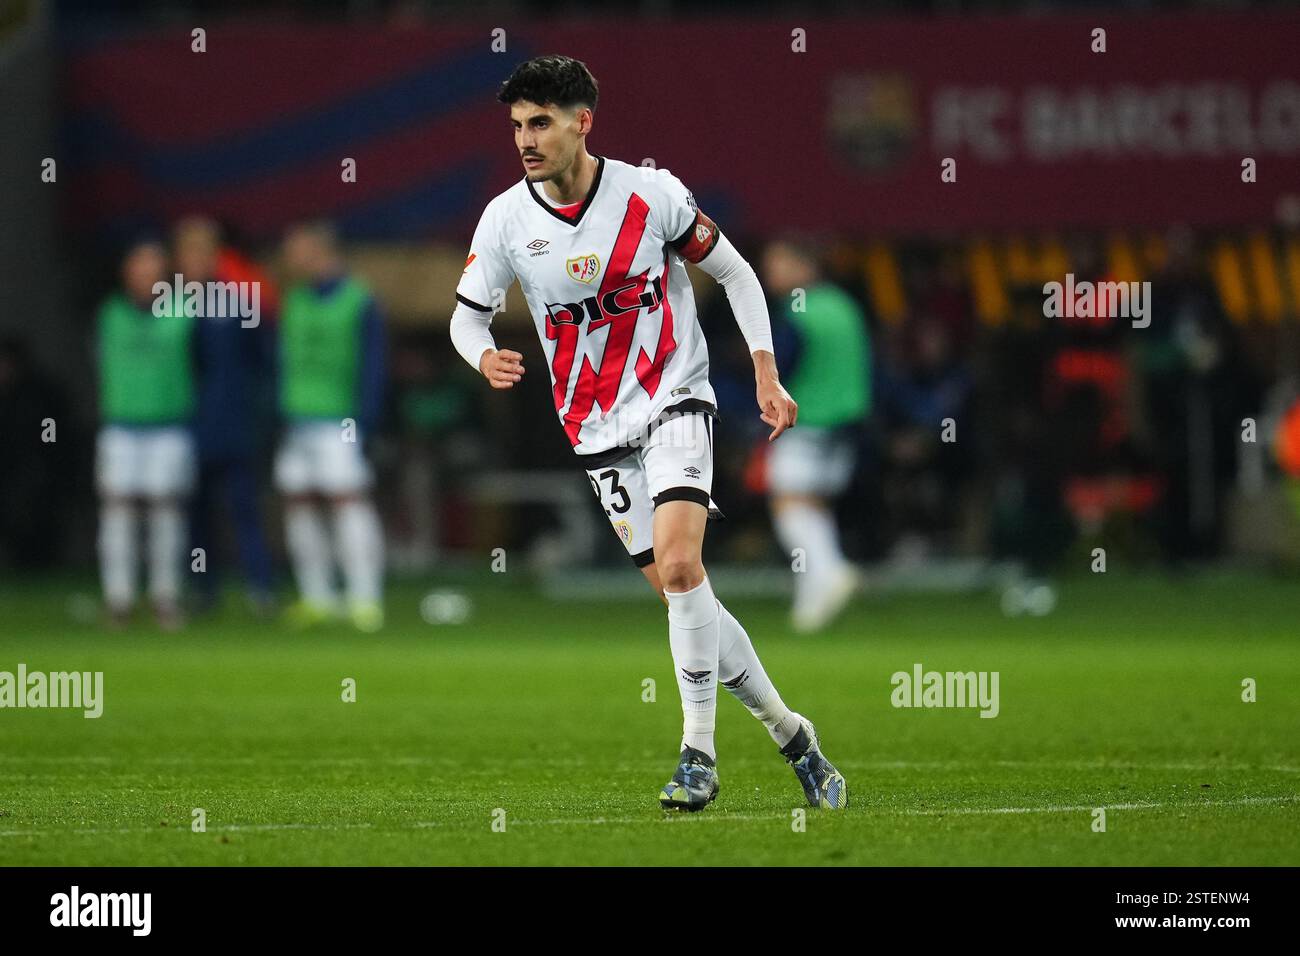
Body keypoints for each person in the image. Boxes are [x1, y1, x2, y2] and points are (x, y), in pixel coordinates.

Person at [448, 55, 846, 812]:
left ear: (582, 122)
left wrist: (765, 372)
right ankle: (794, 735)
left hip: (675, 398)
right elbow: (466, 318)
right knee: (682, 596)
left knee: (682, 563)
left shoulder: (651, 194)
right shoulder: (505, 219)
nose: (525, 139)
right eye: (517, 125)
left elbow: (736, 274)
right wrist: (483, 355)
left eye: (540, 123)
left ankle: (699, 755)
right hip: (594, 425)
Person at [275, 221, 387, 632]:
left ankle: (364, 598)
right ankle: (317, 597)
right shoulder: (294, 300)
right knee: (299, 505)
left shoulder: (359, 300)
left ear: (320, 251)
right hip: (297, 420)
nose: (289, 259)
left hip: (341, 421)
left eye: (296, 250)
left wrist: (366, 422)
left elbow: (374, 366)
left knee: (349, 504)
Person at [760, 238, 871, 632]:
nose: (770, 273)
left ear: (803, 265)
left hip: (804, 420)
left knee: (787, 503)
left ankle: (832, 571)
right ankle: (811, 604)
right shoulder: (844, 306)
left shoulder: (796, 310)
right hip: (848, 424)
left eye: (778, 264)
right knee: (814, 507)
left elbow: (782, 366)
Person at [173, 216, 275, 614]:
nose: (194, 260)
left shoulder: (237, 302)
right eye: (187, 252)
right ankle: (203, 590)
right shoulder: (171, 306)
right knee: (195, 514)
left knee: (244, 509)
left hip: (235, 424)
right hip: (186, 426)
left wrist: (260, 415)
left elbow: (264, 361)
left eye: (201, 251)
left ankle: (261, 589)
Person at [95, 238, 196, 629]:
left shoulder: (183, 311)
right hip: (121, 426)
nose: (145, 276)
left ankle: (164, 596)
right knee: (117, 510)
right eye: (139, 268)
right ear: (126, 274)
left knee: (164, 509)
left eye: (153, 269)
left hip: (168, 425)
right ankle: (118, 598)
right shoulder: (111, 314)